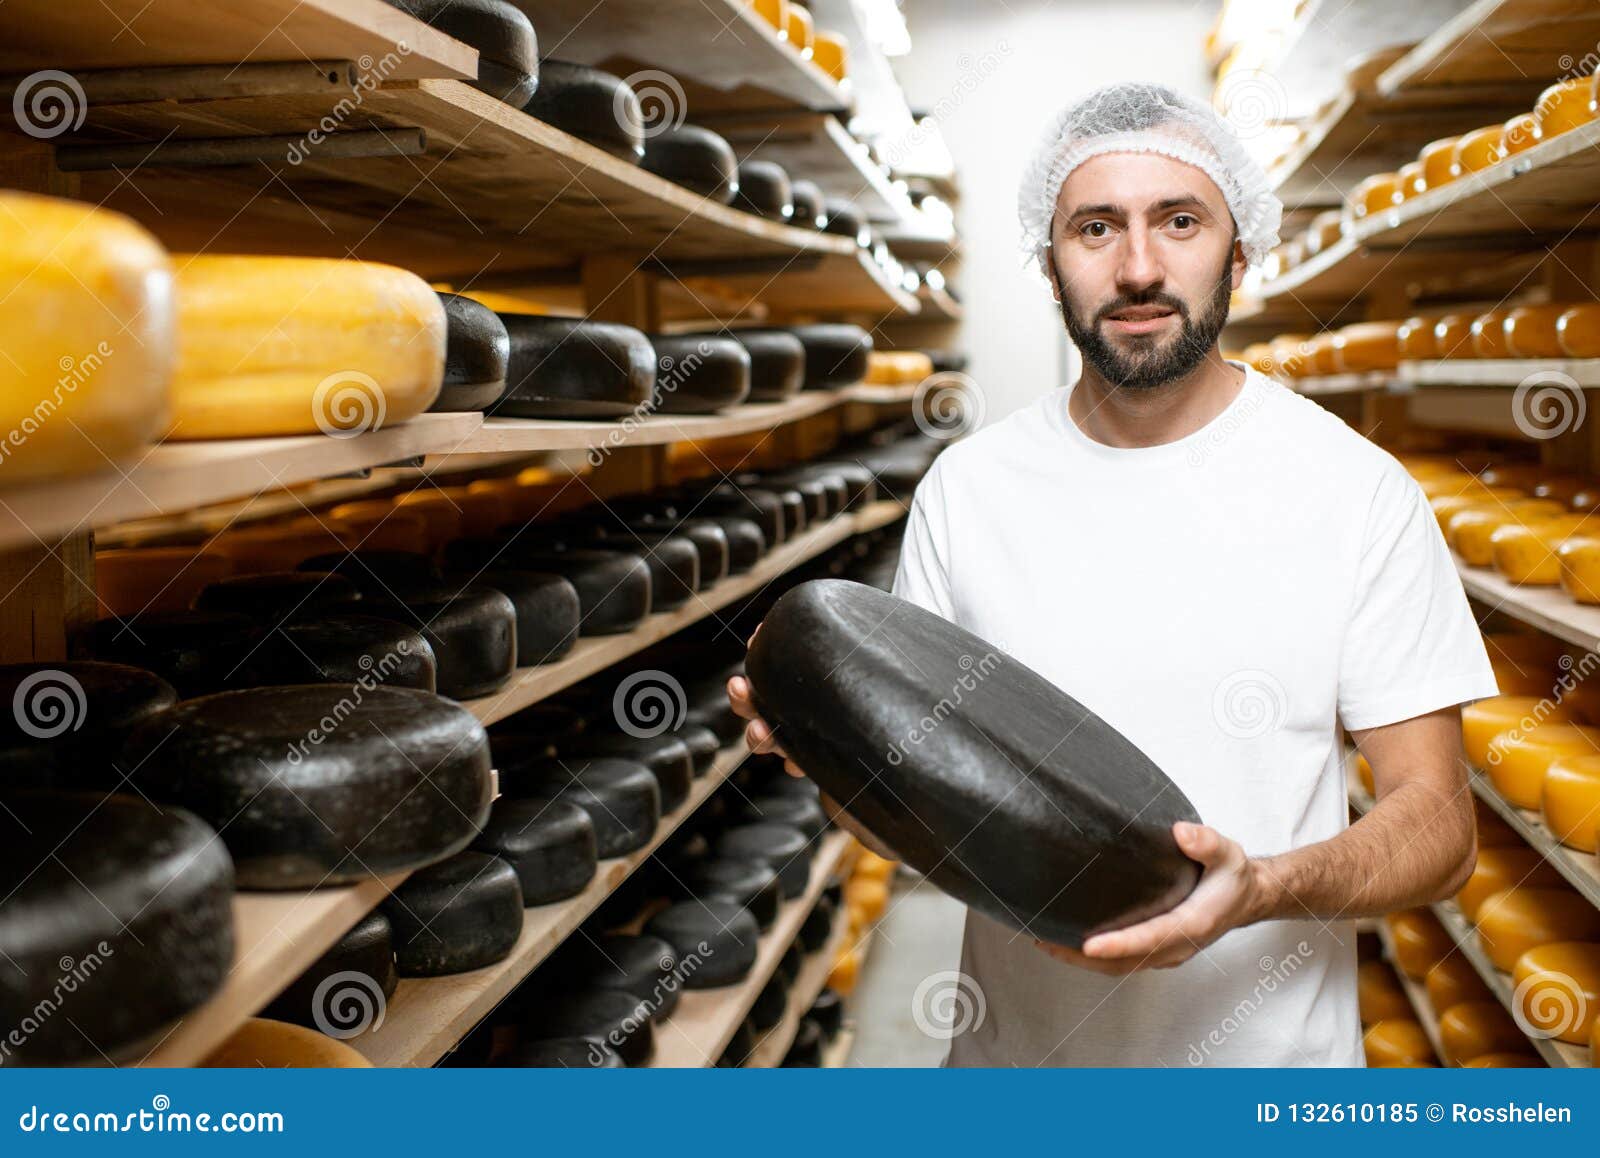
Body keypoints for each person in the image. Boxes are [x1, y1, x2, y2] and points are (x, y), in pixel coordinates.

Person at [727, 81, 1497, 1067]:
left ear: (1239, 249)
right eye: (1096, 228)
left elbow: (1439, 828)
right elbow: (913, 818)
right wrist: (837, 759)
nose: (1139, 268)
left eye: (1179, 221)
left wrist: (1258, 889)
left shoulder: (1357, 491)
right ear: (1049, 266)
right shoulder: (969, 489)